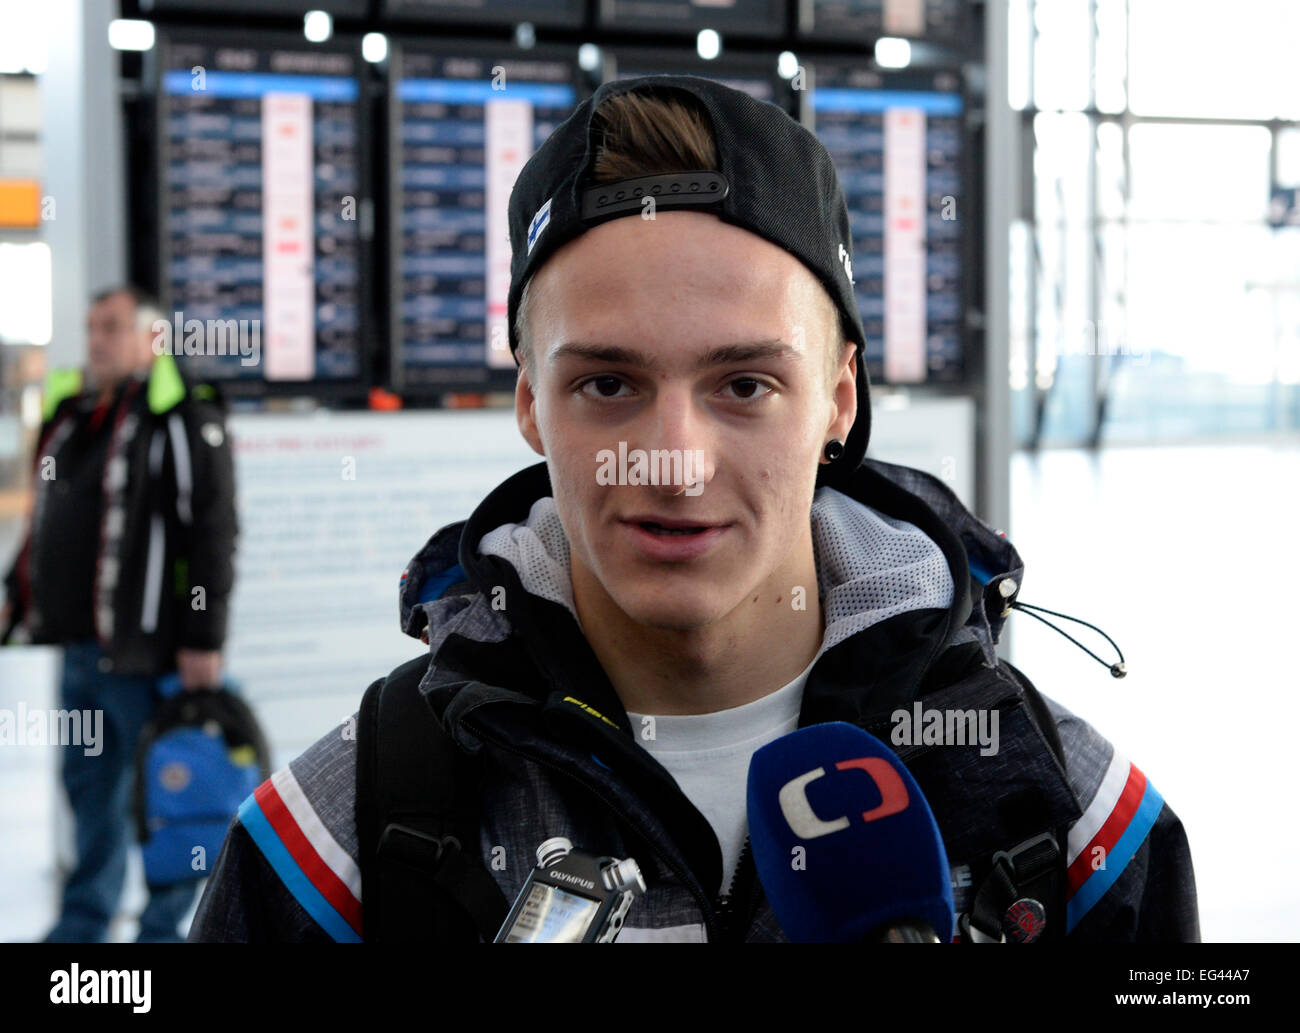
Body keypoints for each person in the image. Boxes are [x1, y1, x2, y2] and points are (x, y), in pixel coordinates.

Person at [188, 76, 1198, 942]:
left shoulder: (1069, 825)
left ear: (838, 399)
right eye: (608, 385)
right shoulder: (337, 845)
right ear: (531, 401)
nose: (672, 463)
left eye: (745, 385)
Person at [2, 285, 238, 942]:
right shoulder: (76, 415)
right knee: (91, 805)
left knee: (168, 806)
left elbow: (214, 526)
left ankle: (162, 935)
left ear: (151, 338)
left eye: (110, 327)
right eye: (90, 326)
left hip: (151, 658)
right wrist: (16, 596)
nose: (96, 340)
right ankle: (82, 928)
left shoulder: (182, 412)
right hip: (81, 653)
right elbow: (48, 521)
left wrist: (203, 635)